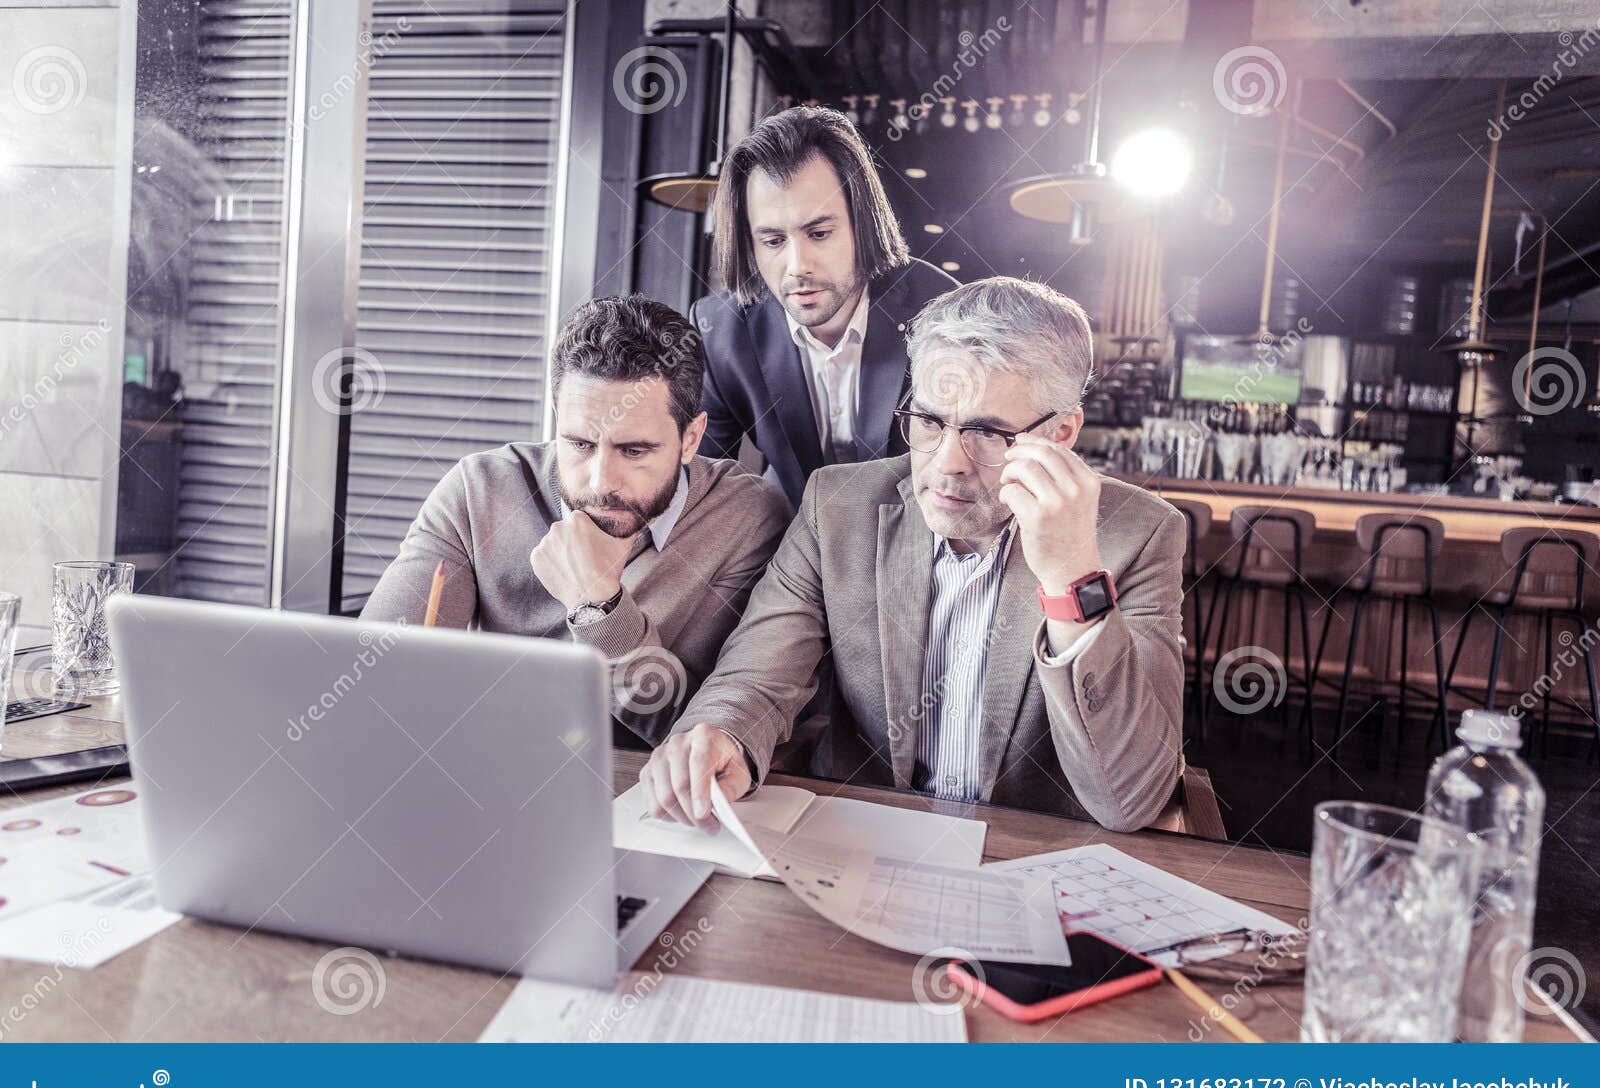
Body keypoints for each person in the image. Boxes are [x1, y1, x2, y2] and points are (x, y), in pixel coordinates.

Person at [641, 276, 1187, 832]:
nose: (948, 462)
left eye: (988, 432)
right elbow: (758, 676)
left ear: (1061, 433)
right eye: (928, 421)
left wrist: (1071, 579)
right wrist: (722, 733)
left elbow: (1131, 800)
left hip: (1028, 855)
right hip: (863, 841)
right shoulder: (838, 506)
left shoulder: (1137, 535)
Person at [362, 295, 790, 747]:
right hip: (484, 763)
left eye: (634, 450)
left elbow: (702, 730)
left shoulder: (746, 519)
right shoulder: (479, 491)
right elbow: (373, 682)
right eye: (580, 444)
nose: (601, 481)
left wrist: (600, 608)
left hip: (640, 782)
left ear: (691, 438)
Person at [694, 106, 957, 510]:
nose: (797, 267)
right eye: (773, 241)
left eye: (819, 233)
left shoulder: (943, 313)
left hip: (917, 532)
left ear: (862, 223)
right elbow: (698, 487)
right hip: (795, 530)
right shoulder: (721, 332)